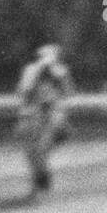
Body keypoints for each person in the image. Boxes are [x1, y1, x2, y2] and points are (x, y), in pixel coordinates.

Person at [14, 43, 75, 195]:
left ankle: (41, 180)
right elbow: (24, 95)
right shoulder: (31, 71)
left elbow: (68, 93)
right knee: (33, 153)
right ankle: (40, 180)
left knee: (39, 151)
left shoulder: (59, 72)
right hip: (35, 116)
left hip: (52, 119)